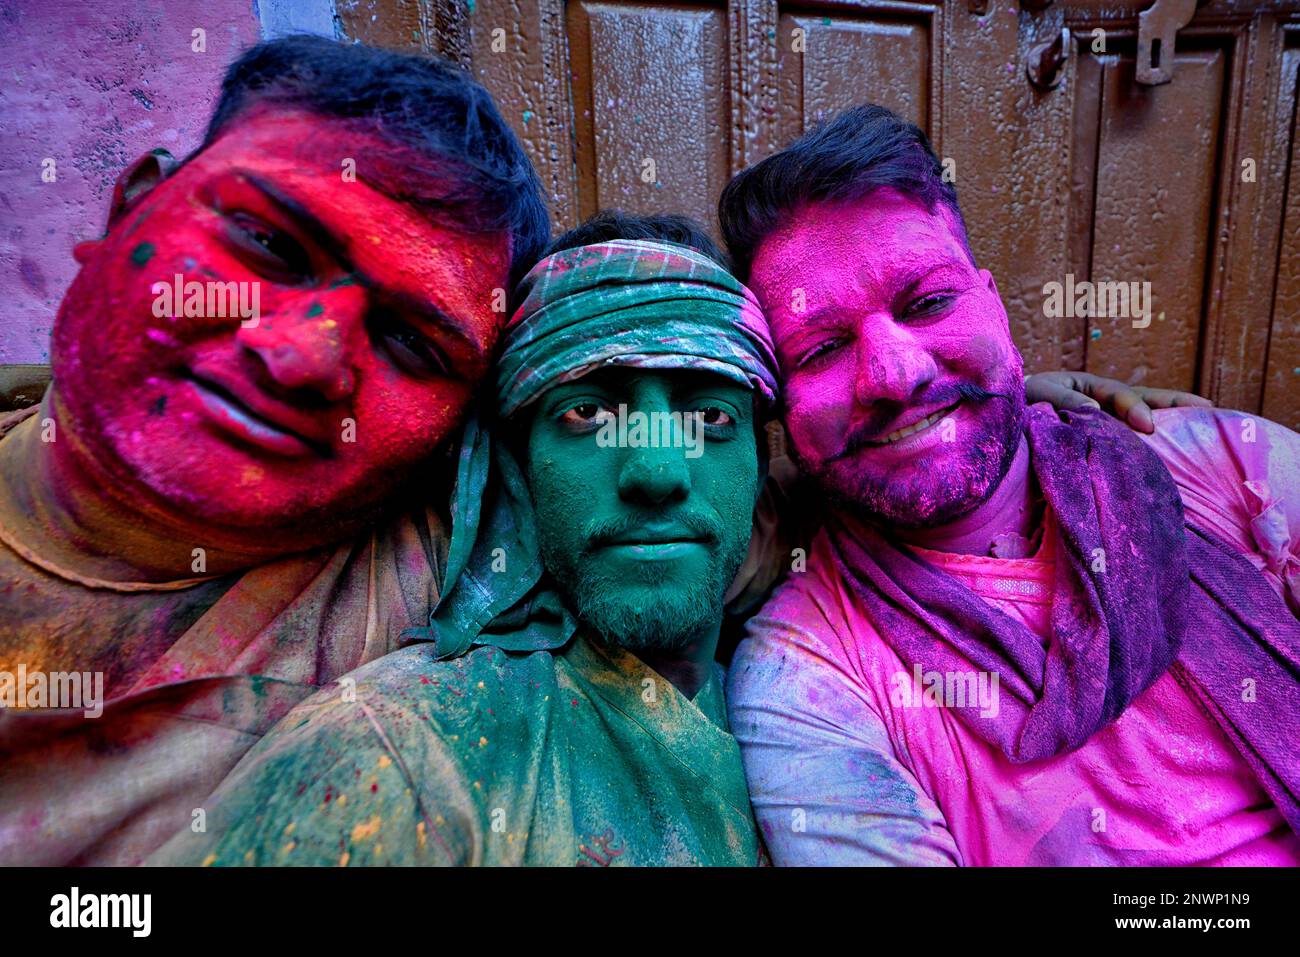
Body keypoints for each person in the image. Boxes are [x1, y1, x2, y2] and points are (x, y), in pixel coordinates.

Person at [0, 35, 548, 865]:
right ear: (129, 206)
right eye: (268, 244)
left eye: (409, 343)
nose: (301, 355)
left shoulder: (437, 573)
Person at [719, 104, 1300, 866]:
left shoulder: (1227, 467)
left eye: (926, 303)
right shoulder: (808, 677)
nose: (895, 375)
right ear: (781, 412)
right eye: (823, 348)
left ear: (992, 303)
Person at [149, 218, 778, 867]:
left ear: (759, 462)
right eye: (588, 412)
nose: (656, 470)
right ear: (516, 465)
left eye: (710, 416)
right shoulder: (404, 748)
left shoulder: (802, 718)